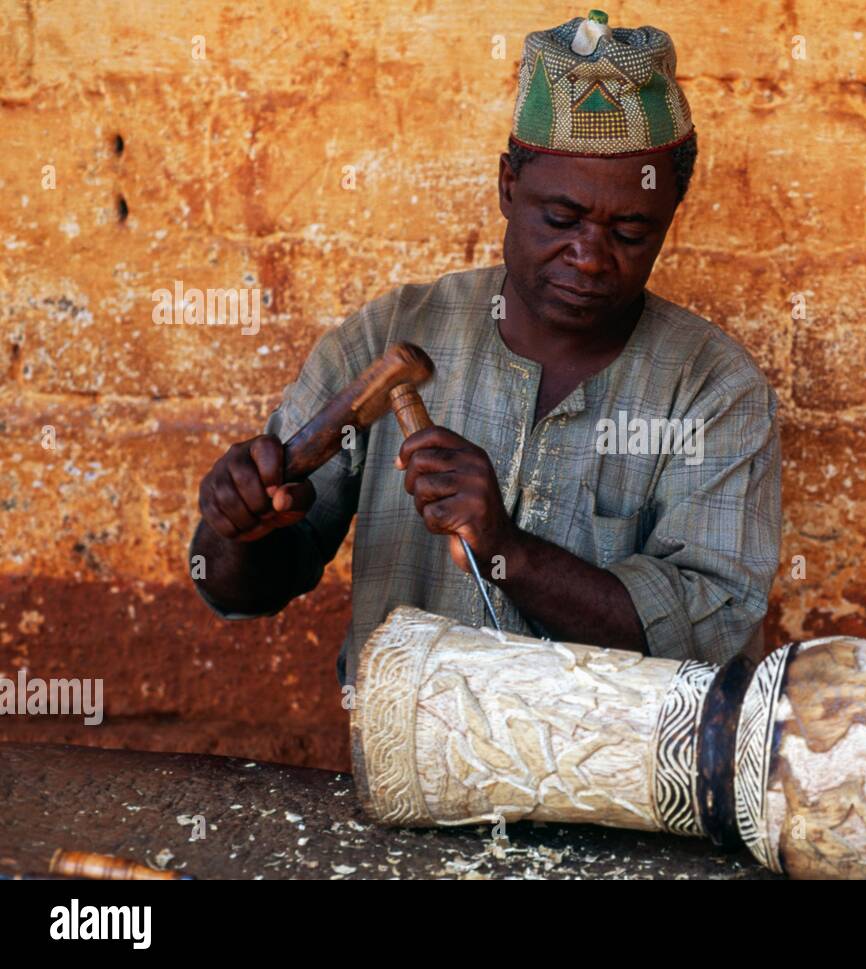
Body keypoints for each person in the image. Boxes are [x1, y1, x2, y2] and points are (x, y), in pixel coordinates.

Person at [189, 10, 782, 686]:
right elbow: (243, 587)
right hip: (402, 777)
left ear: (671, 214)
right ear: (508, 185)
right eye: (560, 219)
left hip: (603, 788)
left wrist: (509, 551)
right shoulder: (386, 336)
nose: (588, 258)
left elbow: (708, 636)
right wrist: (235, 526)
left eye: (630, 231)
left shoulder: (714, 391)